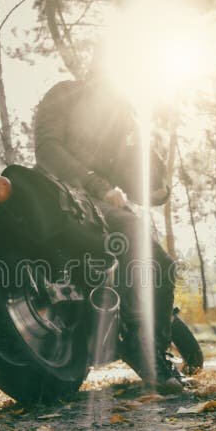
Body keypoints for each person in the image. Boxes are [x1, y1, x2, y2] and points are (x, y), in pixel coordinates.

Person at [33, 72, 185, 394]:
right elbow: (46, 148)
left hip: (97, 203)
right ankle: (140, 343)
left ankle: (150, 347)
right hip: (60, 195)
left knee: (162, 263)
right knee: (134, 230)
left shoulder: (121, 120)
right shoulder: (65, 92)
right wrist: (96, 184)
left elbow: (139, 185)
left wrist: (155, 176)